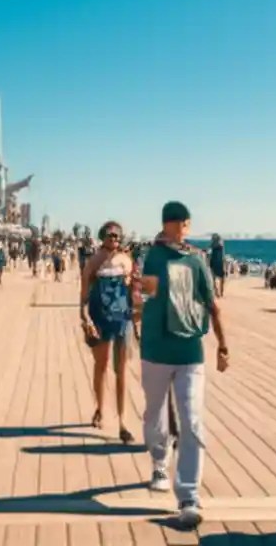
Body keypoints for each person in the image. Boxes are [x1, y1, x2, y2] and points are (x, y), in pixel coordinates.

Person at [138, 201, 230, 528]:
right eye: (174, 223)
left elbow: (211, 303)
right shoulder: (151, 256)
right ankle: (160, 461)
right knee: (155, 415)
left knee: (191, 421)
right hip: (155, 350)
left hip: (190, 351)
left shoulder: (197, 259)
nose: (179, 229)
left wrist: (222, 345)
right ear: (165, 225)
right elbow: (144, 299)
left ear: (188, 226)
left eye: (183, 224)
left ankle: (189, 495)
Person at [80, 220, 136, 444]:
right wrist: (85, 318)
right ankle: (100, 408)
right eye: (110, 235)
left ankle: (123, 422)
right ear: (102, 236)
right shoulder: (93, 261)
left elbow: (133, 290)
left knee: (121, 370)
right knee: (100, 366)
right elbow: (84, 294)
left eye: (117, 236)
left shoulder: (126, 260)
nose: (114, 239)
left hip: (122, 318)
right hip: (100, 317)